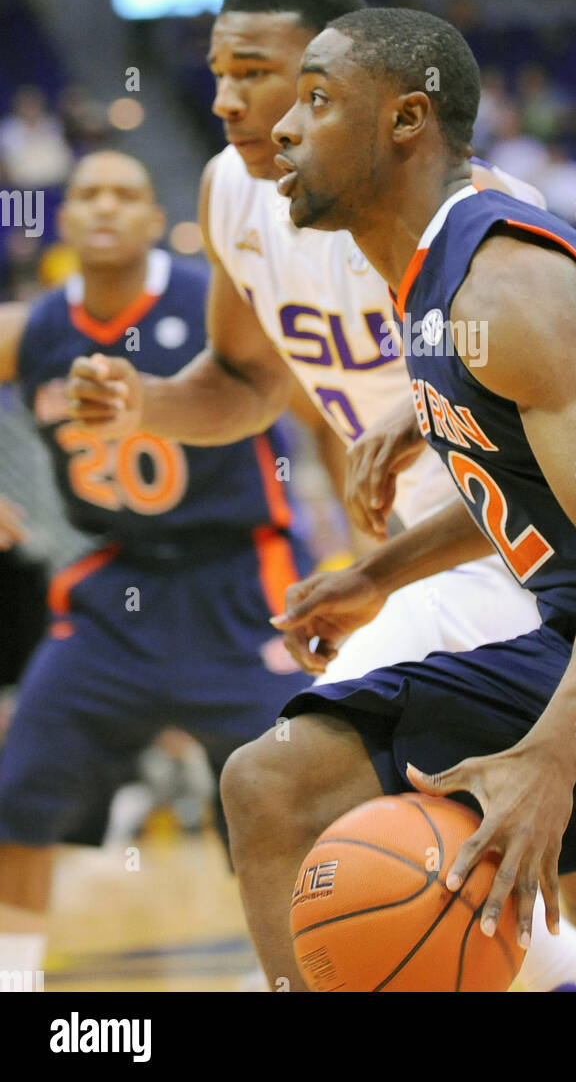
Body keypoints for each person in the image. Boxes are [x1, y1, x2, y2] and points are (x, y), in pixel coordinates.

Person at [70, 0, 576, 994]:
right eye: (221, 77)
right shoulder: (287, 219)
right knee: (290, 789)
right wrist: (371, 559)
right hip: (519, 572)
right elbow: (266, 388)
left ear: (396, 113)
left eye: (290, 87)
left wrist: (550, 754)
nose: (250, 112)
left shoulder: (492, 251)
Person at [0, 150, 316, 986]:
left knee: (289, 798)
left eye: (126, 193)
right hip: (115, 588)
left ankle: (296, 969)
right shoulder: (31, 330)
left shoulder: (212, 302)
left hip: (244, 582)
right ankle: (14, 978)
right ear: (62, 222)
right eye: (88, 194)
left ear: (152, 219)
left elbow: (313, 395)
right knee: (17, 787)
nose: (105, 206)